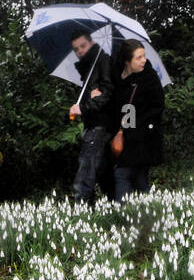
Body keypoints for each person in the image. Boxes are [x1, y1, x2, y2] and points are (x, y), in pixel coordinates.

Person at [111, 40, 164, 201]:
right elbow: (114, 105)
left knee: (122, 174)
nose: (144, 60)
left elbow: (158, 106)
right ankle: (152, 212)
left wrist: (140, 126)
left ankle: (122, 216)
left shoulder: (149, 77)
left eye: (144, 56)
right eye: (138, 57)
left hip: (143, 137)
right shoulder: (116, 77)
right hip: (126, 134)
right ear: (127, 61)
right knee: (139, 180)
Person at [68, 30, 117, 205]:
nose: (80, 51)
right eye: (76, 49)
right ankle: (118, 208)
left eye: (83, 46)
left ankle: (82, 214)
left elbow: (108, 93)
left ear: (91, 43)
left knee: (85, 170)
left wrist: (83, 107)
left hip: (100, 126)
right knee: (104, 174)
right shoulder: (89, 67)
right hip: (98, 125)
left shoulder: (102, 61)